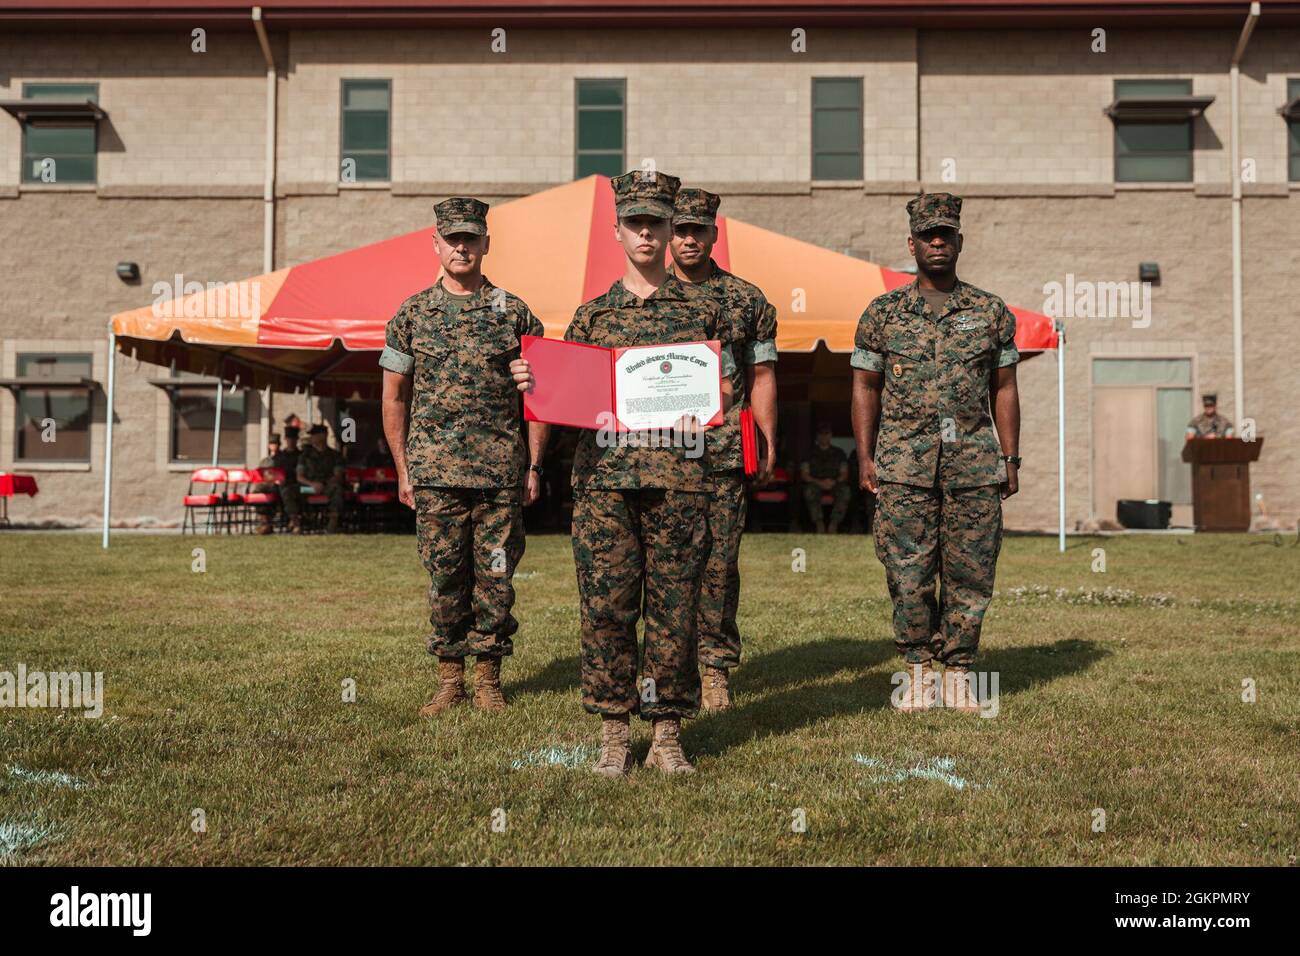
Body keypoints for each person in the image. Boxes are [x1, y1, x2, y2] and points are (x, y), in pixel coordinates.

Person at [514, 170, 735, 776]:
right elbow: (562, 398)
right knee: (607, 607)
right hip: (604, 485)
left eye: (655, 222)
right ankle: (614, 731)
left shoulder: (705, 314)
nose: (645, 232)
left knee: (675, 609)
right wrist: (537, 385)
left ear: (668, 230)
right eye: (634, 222)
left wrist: (712, 397)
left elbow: (725, 395)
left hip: (679, 482)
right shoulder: (590, 318)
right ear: (616, 232)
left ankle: (667, 732)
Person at [851, 192, 1021, 713]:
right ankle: (919, 670)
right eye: (929, 235)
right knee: (907, 569)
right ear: (912, 243)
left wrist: (1010, 458)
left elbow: (1005, 388)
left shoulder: (990, 311)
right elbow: (864, 388)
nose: (938, 243)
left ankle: (960, 672)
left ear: (960, 242)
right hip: (904, 466)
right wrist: (865, 457)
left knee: (971, 570)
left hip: (973, 462)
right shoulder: (882, 313)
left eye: (946, 234)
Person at [380, 196, 547, 717]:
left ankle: (488, 677)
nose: (461, 246)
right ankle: (450, 677)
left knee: (496, 575)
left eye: (470, 238)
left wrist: (535, 465)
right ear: (435, 244)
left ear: (485, 244)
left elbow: (540, 395)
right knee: (445, 574)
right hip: (434, 471)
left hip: (499, 470)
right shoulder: (411, 314)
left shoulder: (513, 312)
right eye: (451, 238)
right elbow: (393, 397)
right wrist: (403, 468)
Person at [668, 186, 778, 712]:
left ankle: (714, 668)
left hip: (722, 453)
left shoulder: (746, 299)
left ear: (715, 233)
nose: (689, 238)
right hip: (659, 453)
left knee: (719, 562)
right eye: (681, 229)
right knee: (665, 561)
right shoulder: (645, 296)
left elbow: (762, 373)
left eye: (699, 230)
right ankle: (669, 664)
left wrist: (768, 436)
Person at [800, 423, 851, 533]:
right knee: (809, 491)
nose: (824, 436)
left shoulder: (839, 453)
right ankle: (819, 524)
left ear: (831, 435)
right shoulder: (809, 453)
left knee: (845, 491)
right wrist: (820, 482)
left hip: (835, 483)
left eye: (827, 434)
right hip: (815, 483)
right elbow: (804, 474)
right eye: (821, 434)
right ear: (817, 436)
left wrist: (834, 482)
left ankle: (834, 524)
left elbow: (844, 474)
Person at [296, 423, 345, 534]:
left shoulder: (335, 455)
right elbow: (299, 477)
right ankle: (296, 523)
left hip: (326, 487)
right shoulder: (304, 455)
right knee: (292, 490)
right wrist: (312, 484)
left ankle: (332, 523)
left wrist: (323, 484)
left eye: (314, 434)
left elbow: (337, 476)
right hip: (309, 488)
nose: (312, 437)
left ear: (323, 436)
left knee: (337, 489)